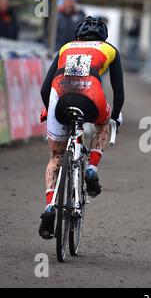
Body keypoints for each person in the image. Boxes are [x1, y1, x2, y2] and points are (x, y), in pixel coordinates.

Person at [38, 17, 125, 240]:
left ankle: (49, 207)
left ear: (78, 36)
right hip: (91, 96)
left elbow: (45, 88)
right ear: (103, 37)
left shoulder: (66, 47)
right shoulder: (110, 49)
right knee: (103, 123)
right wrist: (115, 116)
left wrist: (49, 109)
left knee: (56, 156)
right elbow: (119, 92)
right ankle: (92, 168)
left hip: (59, 96)